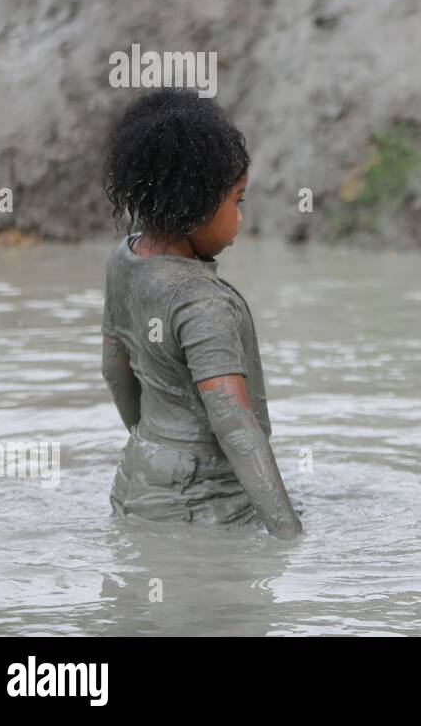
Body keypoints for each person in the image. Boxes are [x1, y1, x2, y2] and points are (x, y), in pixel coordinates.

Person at [101, 88, 302, 537]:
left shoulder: (124, 259)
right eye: (237, 200)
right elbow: (234, 422)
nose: (241, 218)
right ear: (195, 204)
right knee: (233, 604)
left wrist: (152, 449)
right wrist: (291, 537)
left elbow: (114, 368)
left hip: (135, 484)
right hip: (204, 507)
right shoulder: (202, 301)